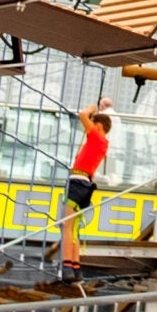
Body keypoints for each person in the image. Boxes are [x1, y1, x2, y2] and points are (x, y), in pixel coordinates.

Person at [56, 98, 113, 282]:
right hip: (86, 185)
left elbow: (82, 114)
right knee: (74, 230)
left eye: (92, 123)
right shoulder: (103, 143)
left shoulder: (96, 136)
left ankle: (66, 265)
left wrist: (94, 108)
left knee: (66, 226)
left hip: (77, 182)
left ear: (98, 126)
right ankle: (75, 266)